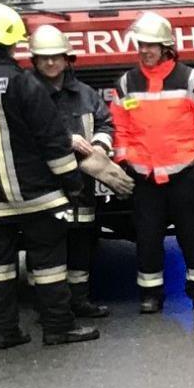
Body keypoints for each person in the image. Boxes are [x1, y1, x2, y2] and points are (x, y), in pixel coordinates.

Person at [0, 2, 99, 350]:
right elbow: (52, 139)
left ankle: (4, 332)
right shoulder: (22, 83)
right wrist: (72, 182)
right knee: (49, 264)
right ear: (7, 42)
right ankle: (58, 327)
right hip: (38, 195)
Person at [108, 12, 194, 313]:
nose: (145, 50)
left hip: (184, 174)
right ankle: (150, 293)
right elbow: (120, 128)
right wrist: (124, 159)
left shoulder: (193, 80)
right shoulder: (127, 83)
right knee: (147, 238)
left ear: (167, 47)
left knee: (191, 235)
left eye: (152, 45)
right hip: (144, 176)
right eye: (141, 44)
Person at [30, 25, 125, 318]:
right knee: (47, 246)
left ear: (67, 59)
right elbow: (21, 133)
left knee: (82, 240)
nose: (50, 63)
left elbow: (106, 123)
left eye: (56, 57)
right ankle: (49, 305)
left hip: (81, 184)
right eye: (44, 58)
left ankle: (80, 300)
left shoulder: (84, 94)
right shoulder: (27, 92)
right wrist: (66, 140)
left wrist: (99, 146)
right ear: (34, 60)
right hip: (43, 183)